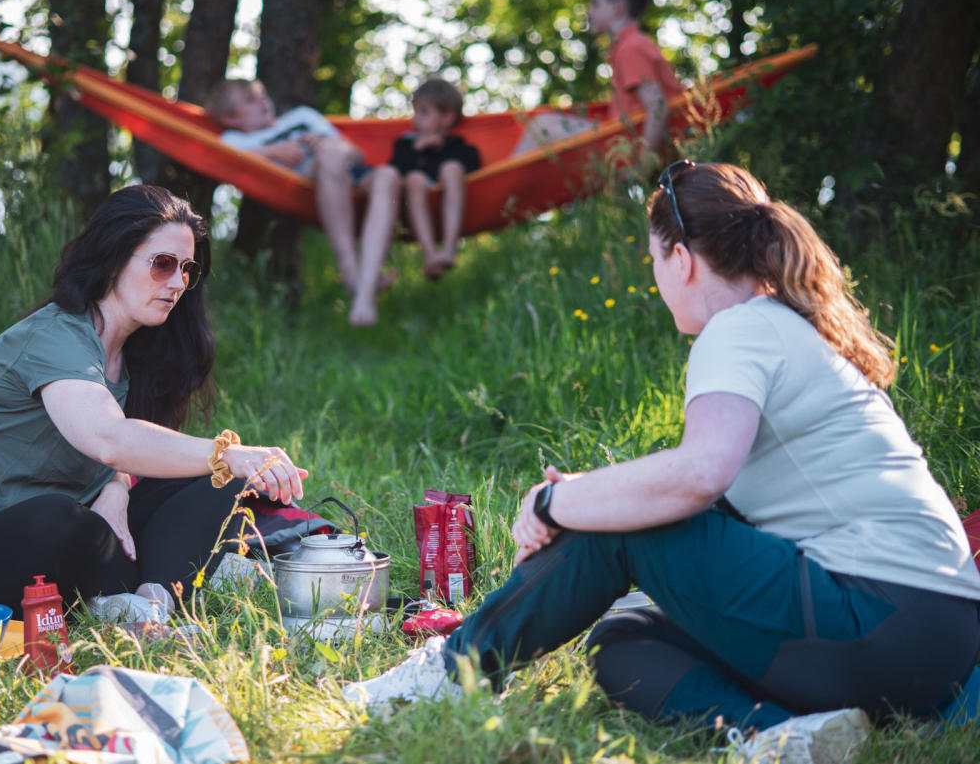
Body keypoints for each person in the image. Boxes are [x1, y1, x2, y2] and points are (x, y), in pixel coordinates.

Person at [344, 163, 980, 764]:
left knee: (626, 522)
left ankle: (454, 670)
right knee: (624, 643)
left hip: (877, 615)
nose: (655, 277)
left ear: (681, 259)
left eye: (652, 260)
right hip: (926, 649)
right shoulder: (786, 328)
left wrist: (552, 504)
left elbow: (698, 477)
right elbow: (715, 504)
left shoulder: (741, 328)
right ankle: (779, 735)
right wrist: (587, 505)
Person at [0, 185, 307, 626]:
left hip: (76, 534)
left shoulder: (143, 353)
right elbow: (107, 438)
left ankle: (152, 604)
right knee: (61, 516)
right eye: (162, 264)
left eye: (187, 269)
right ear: (113, 257)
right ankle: (133, 591)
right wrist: (228, 452)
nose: (177, 283)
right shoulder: (55, 336)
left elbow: (135, 453)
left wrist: (116, 487)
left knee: (219, 480)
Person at [206, 79, 401, 326]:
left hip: (352, 175)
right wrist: (274, 151)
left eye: (262, 94)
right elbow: (227, 159)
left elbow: (356, 154)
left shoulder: (302, 116)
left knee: (388, 176)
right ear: (231, 118)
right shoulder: (235, 140)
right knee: (330, 159)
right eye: (250, 100)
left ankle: (364, 280)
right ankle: (355, 279)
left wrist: (329, 146)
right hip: (312, 183)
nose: (263, 101)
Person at [512, 0, 684, 168]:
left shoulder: (632, 48)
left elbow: (658, 108)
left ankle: (501, 190)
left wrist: (643, 168)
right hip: (624, 138)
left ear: (617, 8)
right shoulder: (630, 46)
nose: (589, 11)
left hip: (627, 145)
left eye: (596, 3)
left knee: (543, 125)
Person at [389, 78, 481, 279]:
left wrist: (439, 147)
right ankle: (430, 254)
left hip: (453, 194)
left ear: (447, 117)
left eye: (424, 112)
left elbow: (475, 167)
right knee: (414, 178)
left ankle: (449, 248)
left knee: (452, 168)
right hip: (415, 198)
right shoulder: (405, 145)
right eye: (415, 111)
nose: (415, 119)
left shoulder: (458, 146)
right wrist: (418, 149)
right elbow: (394, 173)